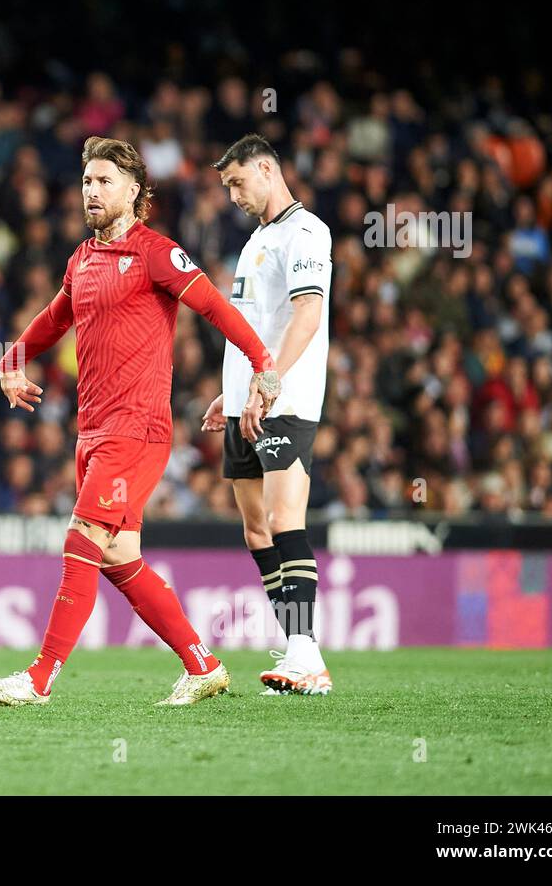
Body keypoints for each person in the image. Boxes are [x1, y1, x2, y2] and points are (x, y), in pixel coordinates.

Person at [0, 136, 278, 707]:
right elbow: (53, 319)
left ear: (134, 191)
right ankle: (202, 664)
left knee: (82, 539)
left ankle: (39, 678)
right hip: (91, 432)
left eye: (104, 181)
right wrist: (12, 359)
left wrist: (263, 365)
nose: (92, 191)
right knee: (118, 557)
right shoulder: (82, 259)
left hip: (136, 432)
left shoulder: (157, 254)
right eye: (87, 181)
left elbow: (214, 306)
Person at [201, 133, 334, 695]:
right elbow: (253, 323)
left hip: (286, 398)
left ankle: (305, 652)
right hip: (246, 398)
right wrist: (230, 391)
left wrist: (268, 382)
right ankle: (300, 649)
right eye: (226, 186)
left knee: (285, 521)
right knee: (256, 531)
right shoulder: (258, 240)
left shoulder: (306, 231)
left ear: (266, 169)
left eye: (237, 182)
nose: (232, 195)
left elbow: (307, 313)